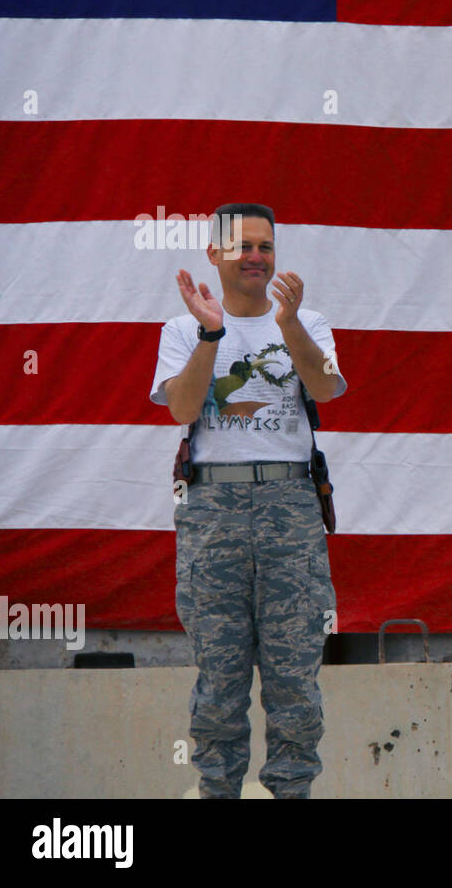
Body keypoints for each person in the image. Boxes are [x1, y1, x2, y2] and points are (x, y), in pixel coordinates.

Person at [149, 203, 346, 798]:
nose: (257, 257)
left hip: (290, 506)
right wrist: (212, 333)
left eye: (266, 247)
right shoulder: (184, 329)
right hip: (214, 513)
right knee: (220, 682)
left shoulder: (306, 321)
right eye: (243, 247)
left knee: (294, 683)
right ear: (215, 255)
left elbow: (326, 388)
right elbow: (183, 408)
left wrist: (289, 327)